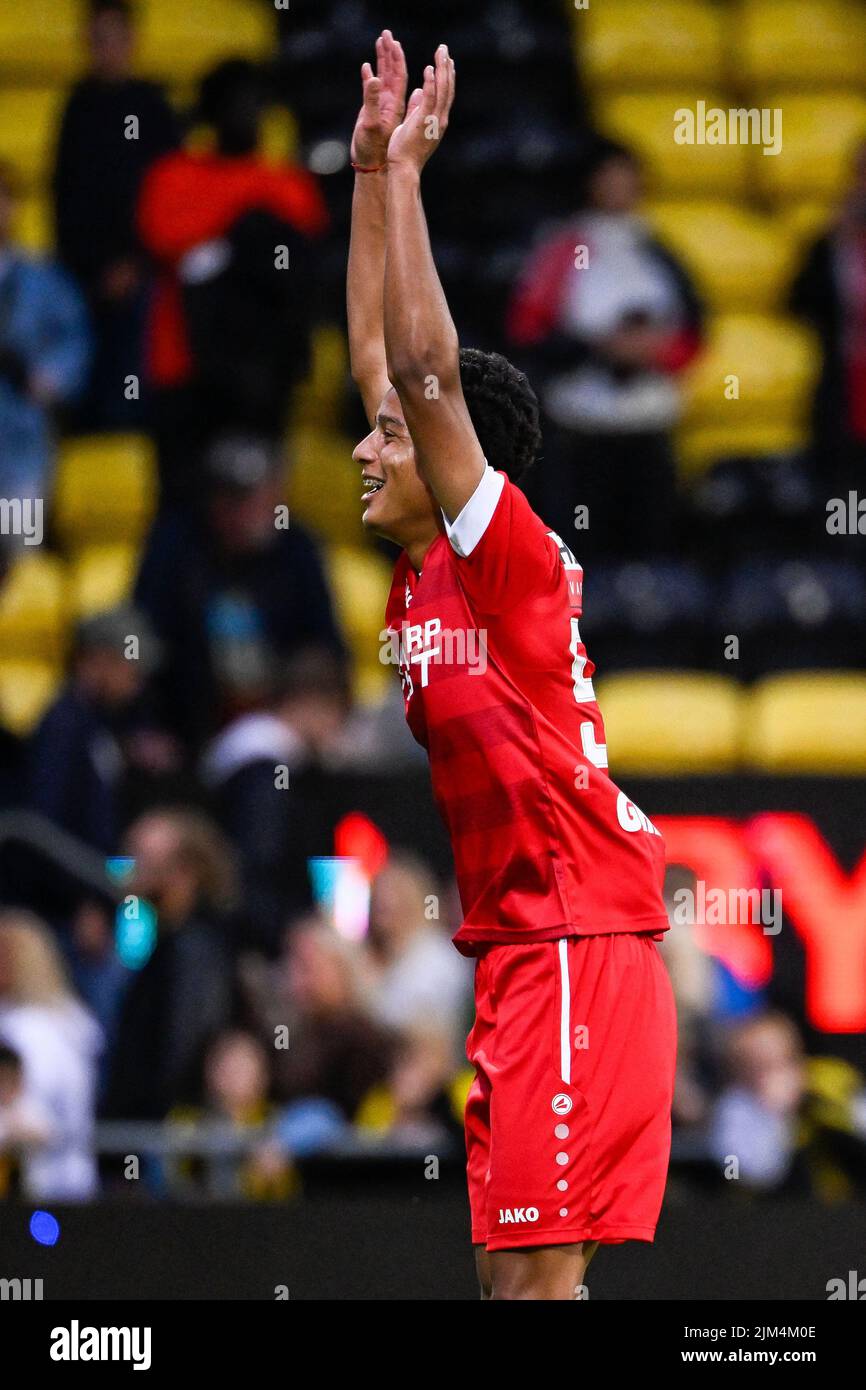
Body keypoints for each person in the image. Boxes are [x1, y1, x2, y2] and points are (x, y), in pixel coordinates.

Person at [346, 32, 677, 1301]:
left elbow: (423, 377)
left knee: (533, 1292)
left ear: (453, 457)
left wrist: (418, 186)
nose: (367, 450)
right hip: (521, 953)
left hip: (575, 942)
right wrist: (372, 175)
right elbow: (386, 356)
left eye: (393, 441)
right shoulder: (422, 568)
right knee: (523, 1288)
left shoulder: (510, 564)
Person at [137, 57, 328, 501]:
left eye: (253, 103)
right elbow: (163, 238)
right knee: (184, 509)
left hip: (262, 383)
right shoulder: (173, 178)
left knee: (255, 512)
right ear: (209, 113)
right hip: (183, 372)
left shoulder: (289, 185)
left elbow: (301, 264)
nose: (244, 114)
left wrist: (231, 240)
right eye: (232, 104)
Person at [507, 138, 703, 563]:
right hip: (583, 427)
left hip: (648, 424)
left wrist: (655, 352)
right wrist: (598, 348)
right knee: (584, 552)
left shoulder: (659, 249)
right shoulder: (562, 250)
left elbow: (695, 332)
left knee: (652, 548)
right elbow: (528, 333)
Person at [135, 432, 345, 751]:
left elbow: (324, 646)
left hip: (278, 721)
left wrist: (312, 702)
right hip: (188, 726)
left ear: (276, 494)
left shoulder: (298, 551)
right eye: (226, 497)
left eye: (249, 497)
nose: (238, 512)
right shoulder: (175, 548)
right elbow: (142, 637)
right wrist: (145, 725)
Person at [52, 0, 179, 428]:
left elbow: (170, 197)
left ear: (132, 41)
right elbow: (65, 199)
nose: (106, 49)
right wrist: (88, 271)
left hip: (143, 273)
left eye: (114, 38)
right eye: (97, 39)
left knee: (140, 336)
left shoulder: (153, 106)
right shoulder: (77, 107)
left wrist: (137, 263)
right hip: (83, 274)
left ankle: (133, 432)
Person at [202, 648, 352, 954]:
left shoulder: (261, 766)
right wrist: (282, 939)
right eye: (336, 713)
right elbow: (260, 865)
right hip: (254, 940)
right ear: (310, 703)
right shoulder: (265, 772)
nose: (338, 729)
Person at [101, 809, 235, 1120]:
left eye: (142, 858)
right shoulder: (167, 943)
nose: (130, 871)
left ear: (185, 870)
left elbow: (180, 1048)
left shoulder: (196, 948)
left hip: (165, 1136)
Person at [0, 164, 90, 505]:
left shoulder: (44, 279)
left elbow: (74, 340)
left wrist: (48, 378)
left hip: (21, 444)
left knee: (24, 549)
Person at [0, 910, 103, 1199]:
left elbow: (32, 1119)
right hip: (67, 1177)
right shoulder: (67, 1020)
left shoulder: (36, 1029)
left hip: (43, 1186)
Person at [365, 852, 471, 1061]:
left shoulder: (440, 956)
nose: (384, 901)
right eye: (379, 892)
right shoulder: (371, 957)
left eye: (394, 891)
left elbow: (434, 1029)